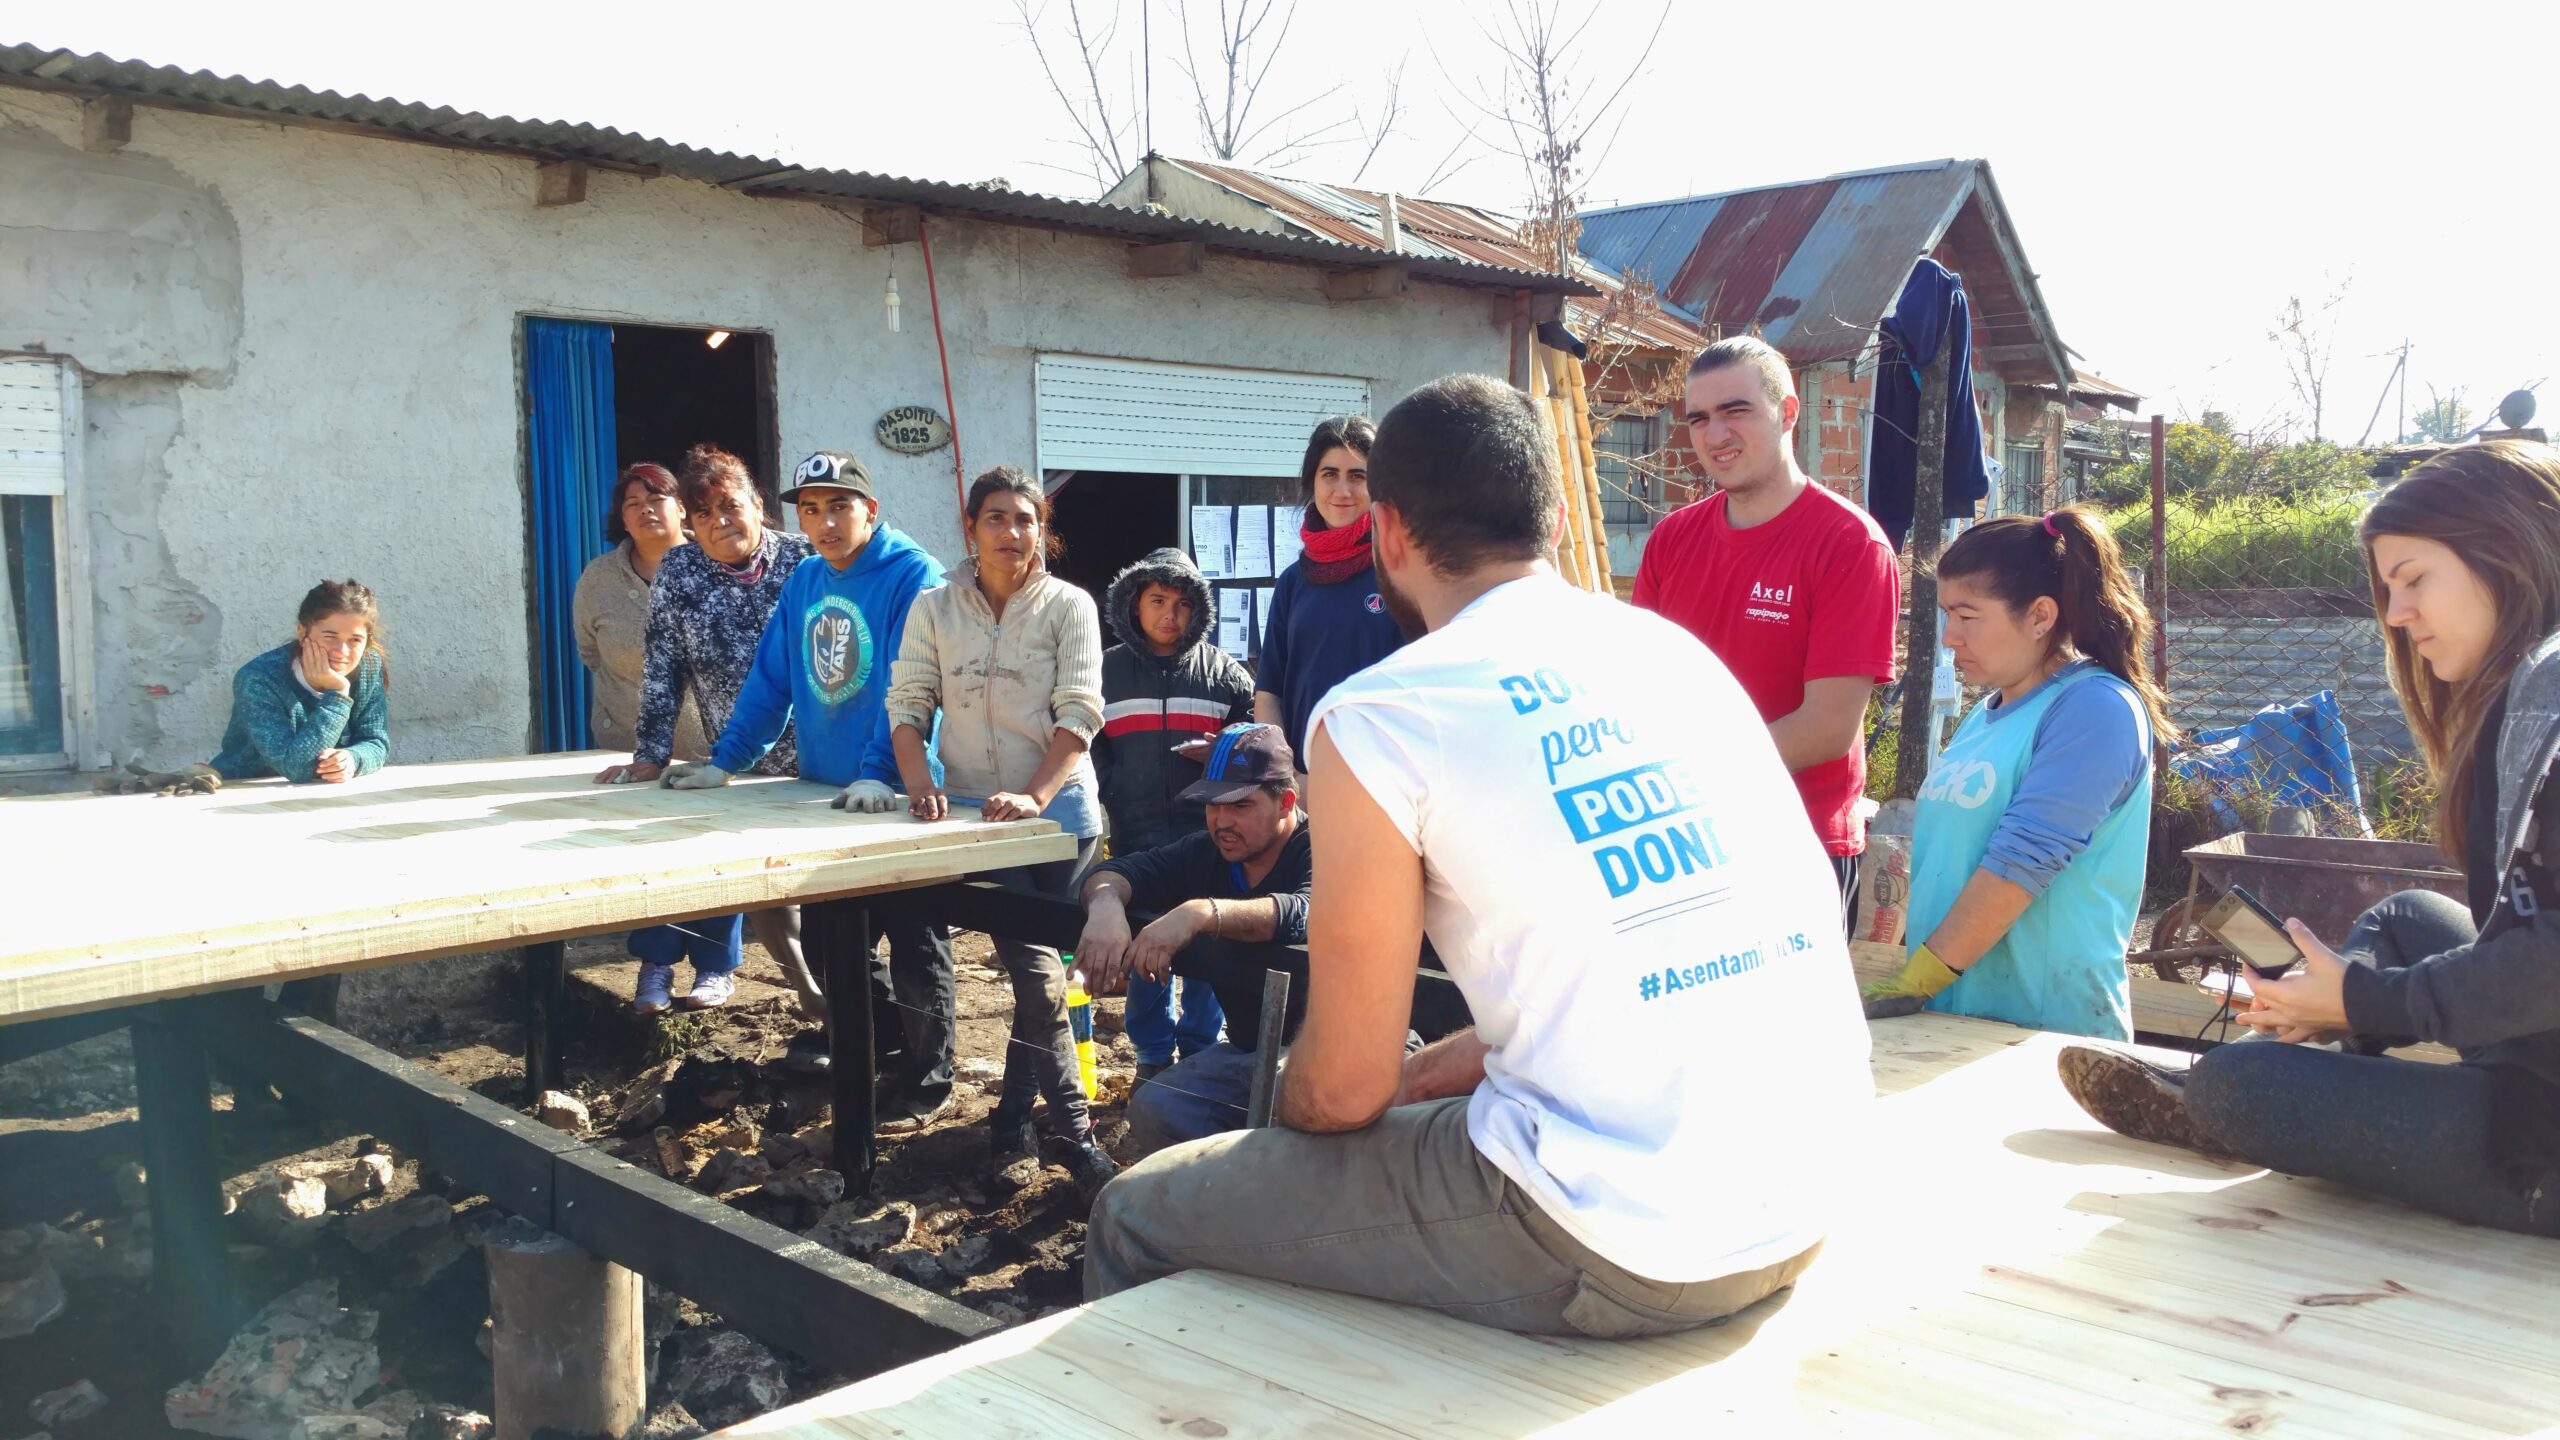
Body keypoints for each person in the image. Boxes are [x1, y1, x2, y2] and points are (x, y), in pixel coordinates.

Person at [1084, 374, 1872, 1336]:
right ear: (1545, 520)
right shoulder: (1673, 657)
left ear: (1390, 532)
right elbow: (1589, 996)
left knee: (1140, 1210)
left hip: (1626, 1240)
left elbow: (1344, 1089)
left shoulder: (1386, 710)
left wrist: (1284, 1117)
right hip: (1810, 1193)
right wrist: (1426, 1075)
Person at [2060, 442, 2560, 1239]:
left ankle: (2259, 1097)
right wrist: (2337, 1002)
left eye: (2413, 580)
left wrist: (2363, 999)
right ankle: (2315, 1052)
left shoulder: (2551, 689)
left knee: (2242, 1088)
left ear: (2505, 549)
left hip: (2542, 1151)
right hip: (2536, 1051)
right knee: (2408, 917)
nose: (2396, 616)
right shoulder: (2533, 682)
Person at [654, 449, 961, 1125]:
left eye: (839, 506)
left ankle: (929, 1080)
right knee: (833, 940)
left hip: (904, 800)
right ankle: (874, 1051)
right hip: (829, 796)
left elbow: (919, 687)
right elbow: (773, 681)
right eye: (811, 509)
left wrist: (883, 772)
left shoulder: (915, 576)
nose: (823, 523)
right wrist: (724, 761)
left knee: (915, 943)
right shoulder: (807, 580)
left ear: (870, 510)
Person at [886, 466, 1117, 1195]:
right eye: (996, 518)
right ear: (970, 528)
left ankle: (1013, 1121)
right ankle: (1076, 1138)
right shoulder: (934, 607)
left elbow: (1079, 710)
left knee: (1037, 980)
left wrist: (1034, 794)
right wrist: (920, 784)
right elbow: (909, 700)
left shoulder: (1067, 606)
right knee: (1040, 977)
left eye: (1024, 519)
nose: (1011, 533)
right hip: (979, 821)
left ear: (1040, 530)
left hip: (1063, 819)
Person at [1855, 508, 2171, 1039]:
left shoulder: (2095, 709)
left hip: (2044, 1031)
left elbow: (2018, 867)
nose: (1949, 637)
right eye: (1946, 616)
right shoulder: (1987, 712)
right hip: (1955, 1015)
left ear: (2040, 616)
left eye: (1967, 615)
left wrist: (1919, 980)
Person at [1632, 337, 1902, 933]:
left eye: (1736, 411)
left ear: (1787, 412)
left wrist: (1681, 774)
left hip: (1793, 842)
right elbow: (1638, 692)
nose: (1715, 435)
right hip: (1675, 844)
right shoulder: (1672, 540)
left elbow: (1827, 730)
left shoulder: (1850, 545)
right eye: (1699, 419)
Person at [599, 444, 812, 1014]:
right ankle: (661, 967)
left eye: (729, 506)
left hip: (814, 764)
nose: (719, 523)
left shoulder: (804, 560)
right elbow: (663, 662)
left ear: (756, 504)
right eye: (702, 514)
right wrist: (651, 752)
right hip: (732, 762)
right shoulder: (682, 570)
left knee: (805, 900)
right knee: (695, 858)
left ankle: (823, 1007)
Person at [1077, 723, 1311, 1155]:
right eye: (1211, 805)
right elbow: (1121, 871)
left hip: (1332, 1051)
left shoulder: (1323, 847)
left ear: (1286, 803)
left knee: (1299, 1108)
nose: (1221, 821)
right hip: (1246, 1050)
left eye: (1240, 805)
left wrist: (1201, 912)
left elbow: (1306, 910)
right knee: (1154, 1109)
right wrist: (1106, 907)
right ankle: (1226, 1196)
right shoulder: (1208, 850)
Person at [1095, 548, 1257, 1080]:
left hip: (1206, 840)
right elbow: (1085, 747)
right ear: (1132, 605)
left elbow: (1256, 749)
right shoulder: (1105, 672)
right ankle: (1150, 1055)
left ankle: (1199, 1049)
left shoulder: (1225, 676)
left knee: (1204, 950)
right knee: (1145, 949)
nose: (1170, 615)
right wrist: (1111, 789)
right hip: (1137, 837)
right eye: (1158, 601)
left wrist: (1222, 752)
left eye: (1184, 604)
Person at [1253, 416, 1405, 793]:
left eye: (1357, 475)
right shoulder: (1293, 581)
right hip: (1302, 786)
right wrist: (1286, 778)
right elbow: (1269, 692)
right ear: (1312, 482)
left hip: (1384, 784)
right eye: (1329, 474)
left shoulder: (1402, 571)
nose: (1342, 490)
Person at [573, 462, 707, 760]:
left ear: (682, 508)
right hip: (623, 749)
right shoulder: (598, 577)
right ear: (624, 519)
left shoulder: (716, 567)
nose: (646, 510)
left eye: (657, 500)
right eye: (633, 504)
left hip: (713, 755)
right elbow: (591, 652)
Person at [210, 578, 390, 785]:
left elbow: (375, 741)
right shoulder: (259, 678)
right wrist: (338, 693)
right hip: (245, 787)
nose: (343, 651)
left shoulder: (368, 666)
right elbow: (297, 768)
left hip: (326, 794)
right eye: (330, 637)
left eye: (355, 640)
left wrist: (353, 759)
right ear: (302, 632)